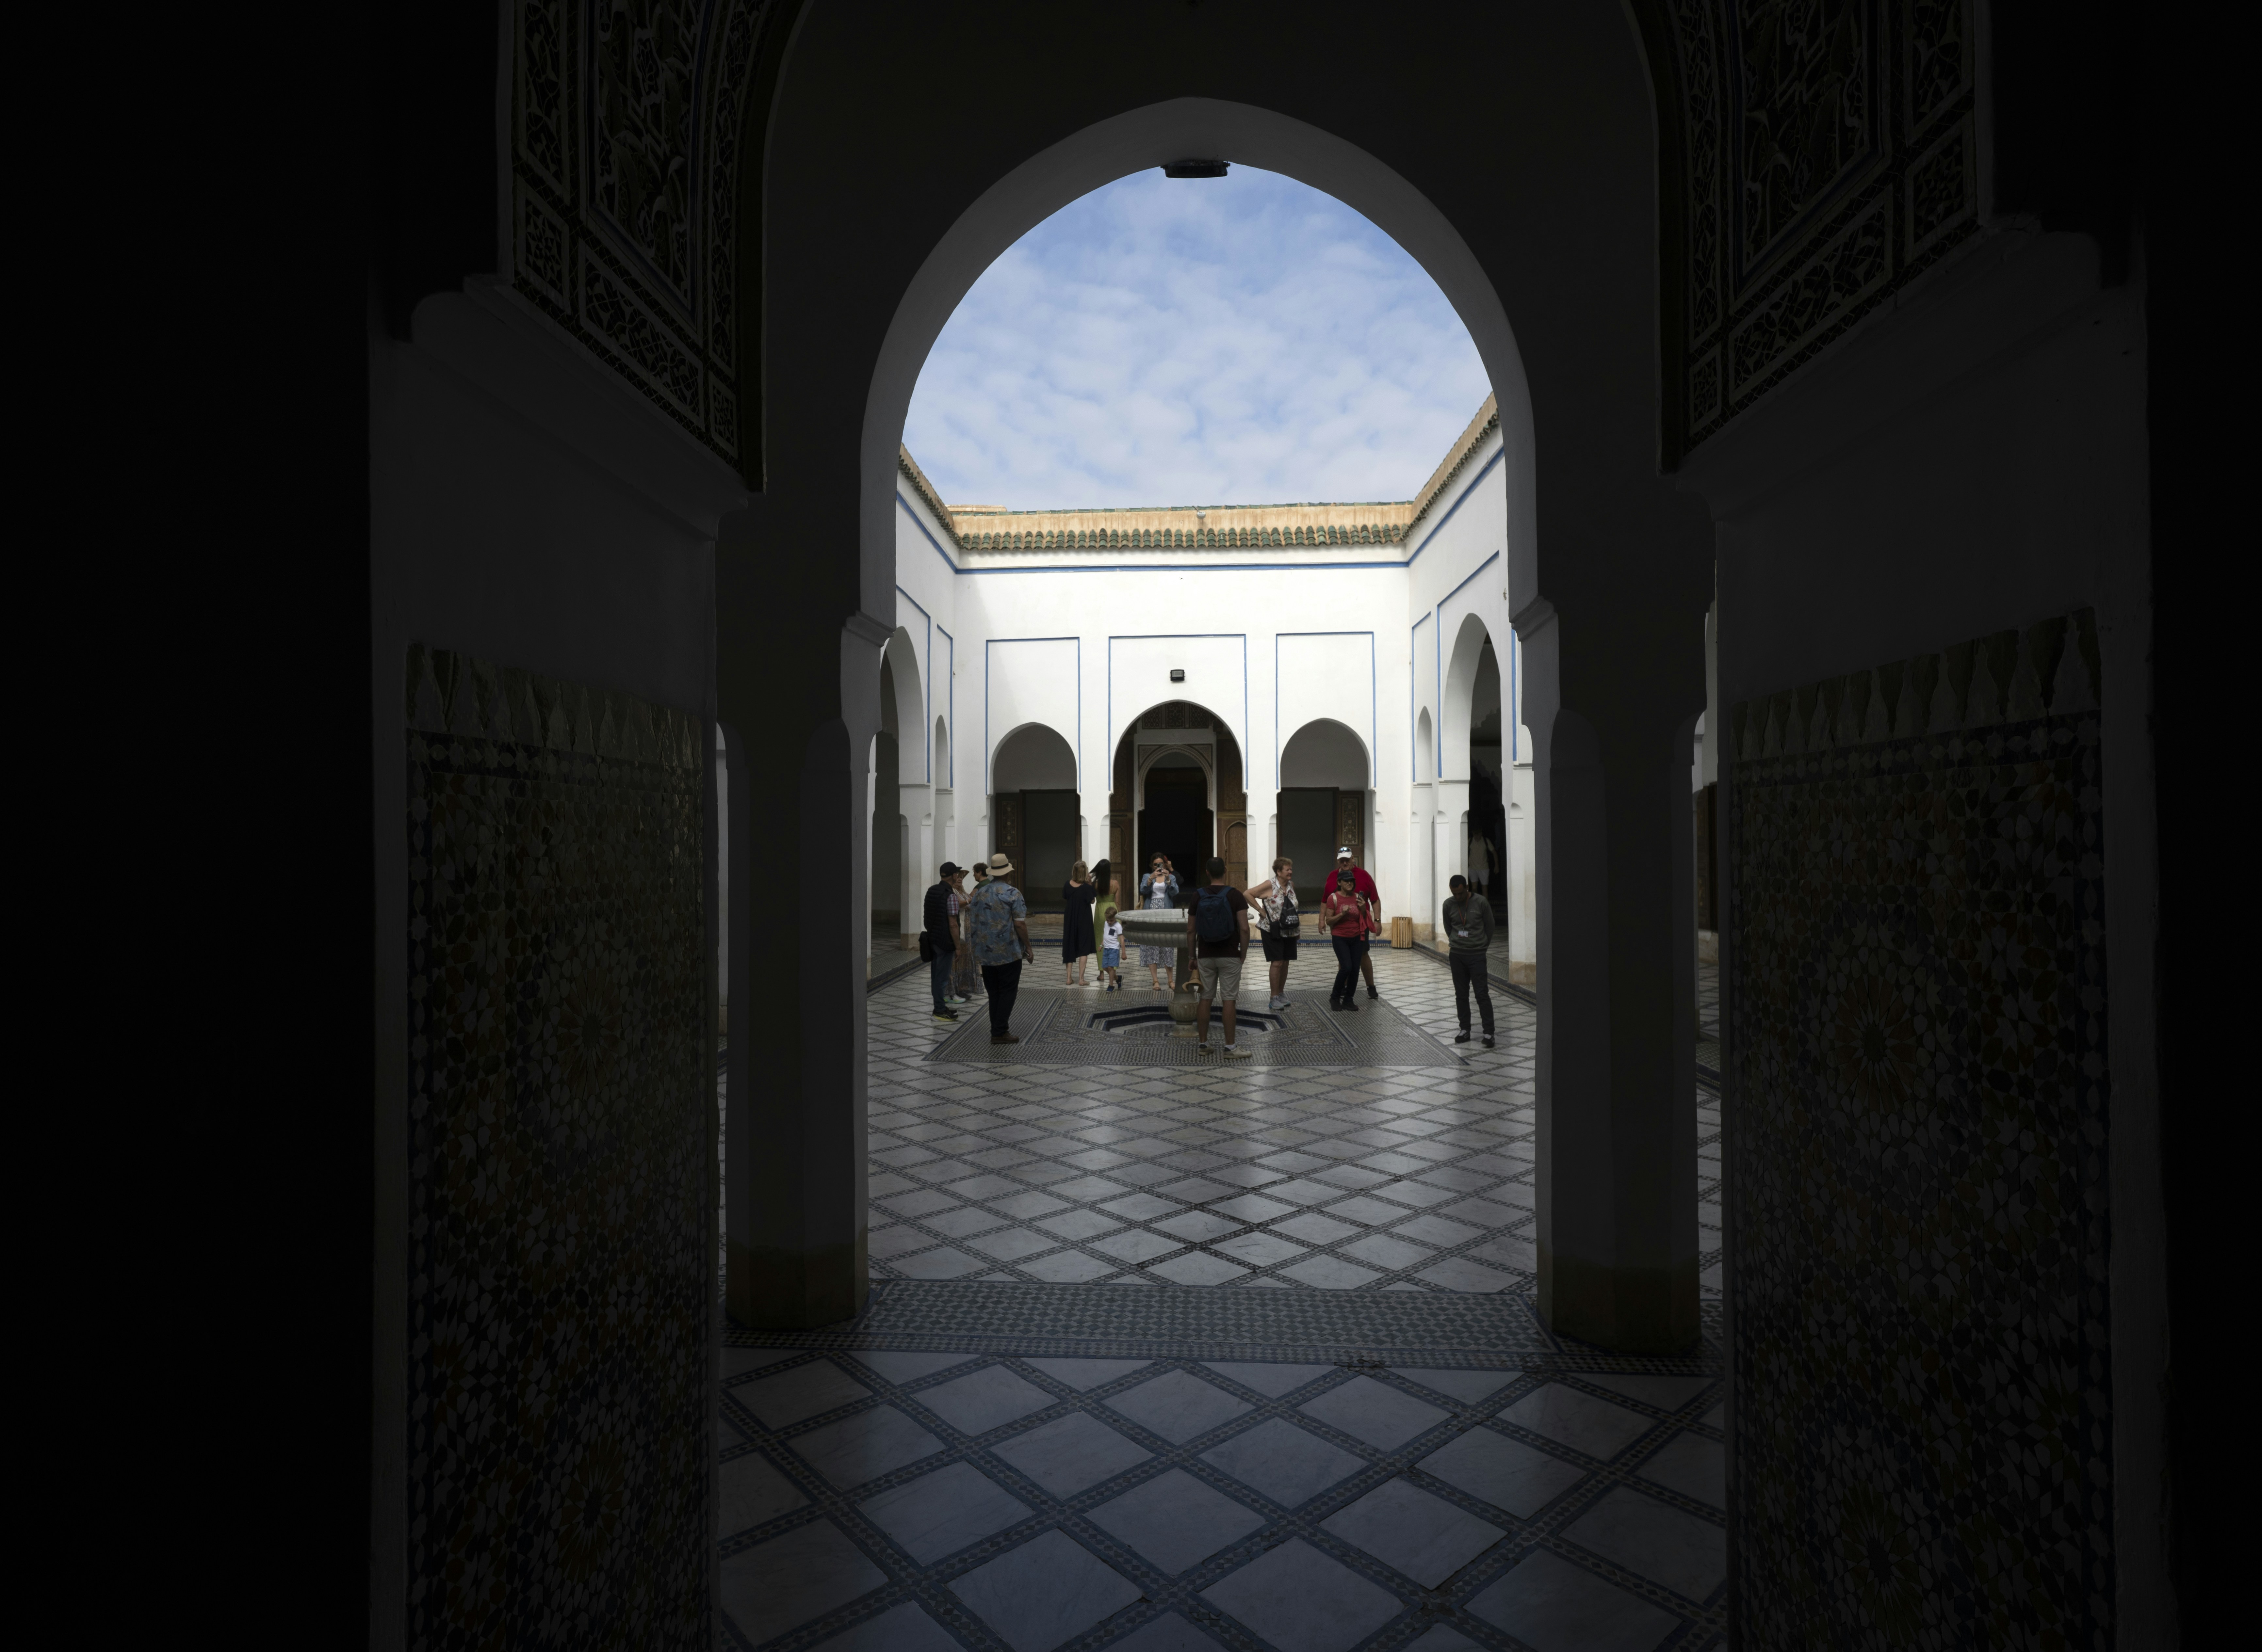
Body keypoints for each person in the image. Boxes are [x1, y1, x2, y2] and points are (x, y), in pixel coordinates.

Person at [1183, 856, 1252, 1058]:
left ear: (1207, 873)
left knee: (1206, 999)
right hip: (1230, 954)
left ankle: (1204, 1045)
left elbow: (1190, 931)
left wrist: (1192, 956)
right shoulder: (1236, 895)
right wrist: (1244, 954)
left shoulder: (1198, 895)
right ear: (1225, 871)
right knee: (1229, 1000)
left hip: (1206, 955)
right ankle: (1230, 1047)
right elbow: (1245, 929)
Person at [967, 852, 1036, 1042]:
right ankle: (999, 1032)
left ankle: (997, 1030)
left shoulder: (980, 893)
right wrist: (1029, 947)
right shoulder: (1013, 894)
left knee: (994, 993)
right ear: (1008, 873)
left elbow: (973, 921)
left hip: (986, 954)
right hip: (1008, 953)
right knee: (1007, 991)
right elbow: (1020, 924)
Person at [1441, 873, 1497, 1047]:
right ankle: (1465, 1029)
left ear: (1467, 888)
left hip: (1477, 956)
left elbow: (1490, 927)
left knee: (1482, 994)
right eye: (1454, 894)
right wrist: (1458, 943)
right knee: (1461, 994)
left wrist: (1481, 947)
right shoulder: (1448, 905)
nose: (1457, 897)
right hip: (1457, 956)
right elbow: (1449, 928)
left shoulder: (1481, 903)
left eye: (1460, 894)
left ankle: (1489, 1033)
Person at [1323, 847, 1385, 1000]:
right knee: (1344, 960)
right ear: (1338, 861)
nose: (1345, 863)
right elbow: (1325, 900)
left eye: (1347, 860)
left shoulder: (1364, 876)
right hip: (1340, 927)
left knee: (1363, 955)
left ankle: (1371, 987)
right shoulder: (1332, 876)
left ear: (1353, 860)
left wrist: (1377, 921)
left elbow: (1375, 900)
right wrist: (1321, 921)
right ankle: (1343, 988)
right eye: (1342, 860)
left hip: (1360, 925)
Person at [1245, 856, 1299, 1011]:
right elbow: (1248, 894)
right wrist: (1260, 911)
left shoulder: (1291, 886)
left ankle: (1281, 994)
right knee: (1277, 962)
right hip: (1272, 929)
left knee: (1286, 962)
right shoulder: (1270, 885)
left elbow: (1293, 908)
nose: (1291, 872)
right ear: (1279, 872)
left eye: (1291, 869)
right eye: (1288, 870)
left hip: (1290, 930)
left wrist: (1297, 931)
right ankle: (1273, 997)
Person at [1321, 872, 1374, 1012]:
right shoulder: (1333, 898)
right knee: (1347, 967)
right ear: (1339, 883)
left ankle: (1349, 1000)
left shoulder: (1358, 898)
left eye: (1351, 881)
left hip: (1357, 938)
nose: (1349, 883)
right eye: (1346, 881)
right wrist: (1342, 914)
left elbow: (1363, 918)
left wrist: (1363, 909)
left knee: (1355, 970)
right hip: (1340, 938)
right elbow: (1329, 921)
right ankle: (1335, 997)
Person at [921, 861, 963, 1023]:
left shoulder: (932, 890)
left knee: (936, 976)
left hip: (933, 940)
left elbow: (927, 917)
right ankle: (939, 1011)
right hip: (945, 942)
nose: (959, 876)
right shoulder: (950, 895)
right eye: (958, 874)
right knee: (942, 979)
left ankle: (940, 1007)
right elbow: (953, 923)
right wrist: (958, 947)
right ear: (953, 876)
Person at [1136, 854, 1179, 991]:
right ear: (1152, 866)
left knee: (1168, 946)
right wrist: (1151, 879)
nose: (1158, 867)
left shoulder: (1171, 877)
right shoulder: (1147, 877)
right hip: (1150, 912)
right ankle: (1155, 980)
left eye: (1160, 864)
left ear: (1165, 865)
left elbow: (1174, 893)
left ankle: (1171, 980)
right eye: (1156, 865)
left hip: (1166, 912)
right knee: (1151, 946)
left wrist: (1168, 880)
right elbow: (1143, 890)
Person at [946, 864, 981, 1003]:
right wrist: (969, 901)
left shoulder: (964, 892)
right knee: (956, 962)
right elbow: (959, 904)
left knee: (965, 961)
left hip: (967, 933)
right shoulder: (952, 893)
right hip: (959, 931)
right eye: (958, 877)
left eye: (962, 877)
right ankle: (952, 991)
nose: (960, 880)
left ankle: (963, 989)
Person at [1061, 860, 1097, 986]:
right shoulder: (1087, 888)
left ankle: (1069, 978)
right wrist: (1090, 884)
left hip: (1070, 919)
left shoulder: (1067, 885)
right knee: (1084, 948)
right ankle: (1081, 979)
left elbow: (1066, 896)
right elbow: (1092, 901)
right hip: (1084, 919)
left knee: (1070, 945)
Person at [1099, 903, 1123, 990]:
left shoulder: (1118, 926)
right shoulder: (1106, 923)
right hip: (1106, 949)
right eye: (1108, 920)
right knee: (1105, 967)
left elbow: (1122, 940)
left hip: (1114, 949)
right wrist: (1101, 945)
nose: (1109, 923)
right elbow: (1106, 935)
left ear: (1115, 918)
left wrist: (1124, 953)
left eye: (1112, 921)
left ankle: (1111, 986)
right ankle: (1118, 978)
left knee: (1111, 968)